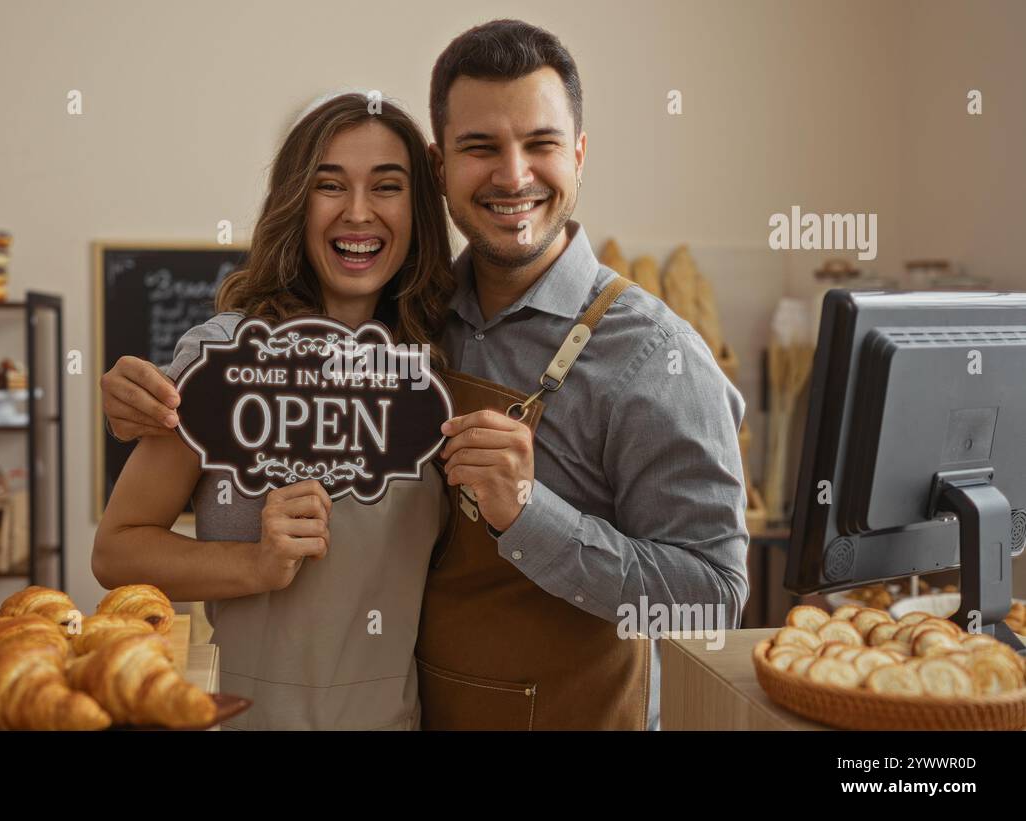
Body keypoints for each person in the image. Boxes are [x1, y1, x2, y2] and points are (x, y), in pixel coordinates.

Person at [101, 19, 749, 730]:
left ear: (580, 154)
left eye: (540, 143)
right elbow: (123, 541)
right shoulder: (430, 327)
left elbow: (713, 599)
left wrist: (531, 514)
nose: (512, 174)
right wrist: (141, 403)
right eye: (481, 147)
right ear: (443, 171)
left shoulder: (652, 354)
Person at [93, 93, 455, 730]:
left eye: (387, 187)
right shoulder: (224, 359)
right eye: (329, 185)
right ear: (296, 201)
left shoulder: (436, 372)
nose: (358, 212)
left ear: (418, 210)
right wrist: (255, 564)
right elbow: (116, 551)